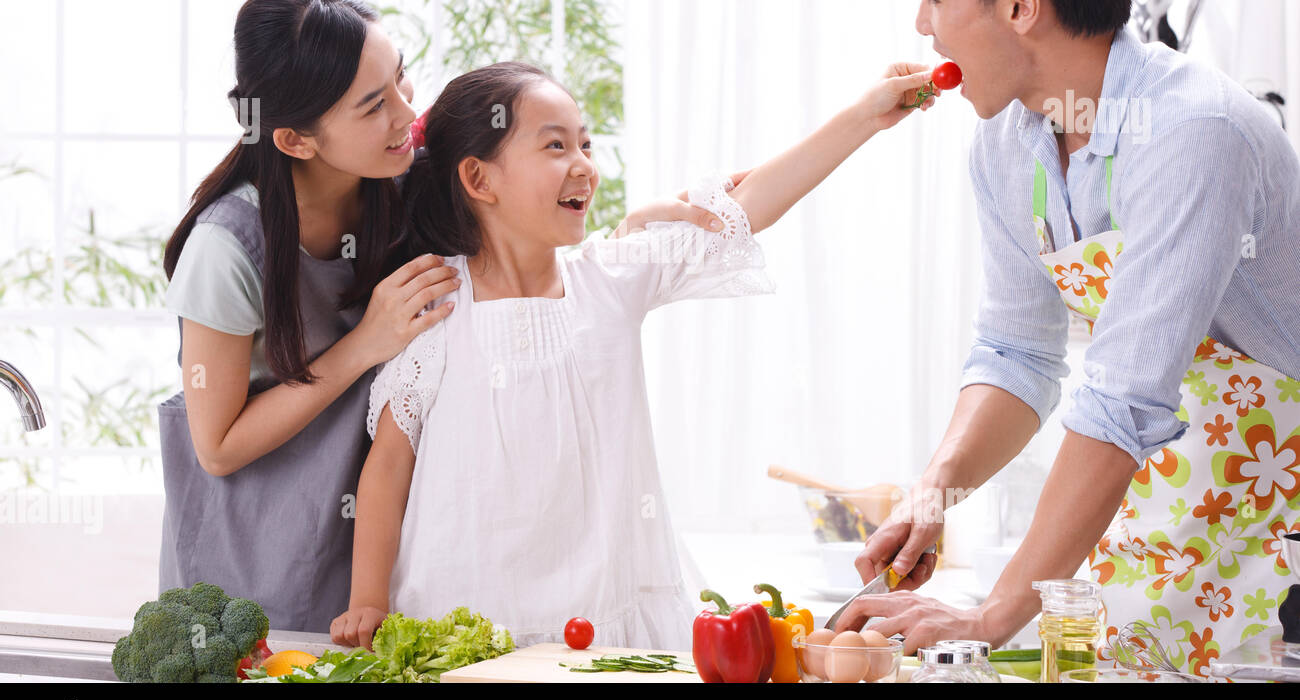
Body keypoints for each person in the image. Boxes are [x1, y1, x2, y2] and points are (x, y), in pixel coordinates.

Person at [840, 0, 1300, 675]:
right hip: (1185, 490)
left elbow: (1122, 395)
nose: (920, 24)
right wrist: (934, 494)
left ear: (1020, 5)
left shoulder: (1193, 133)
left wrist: (994, 613)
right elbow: (1018, 352)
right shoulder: (1010, 145)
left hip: (1285, 512)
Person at [159, 0, 740, 632]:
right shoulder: (226, 249)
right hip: (261, 558)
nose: (409, 116)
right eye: (374, 105)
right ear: (295, 139)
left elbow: (517, 228)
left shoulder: (401, 178)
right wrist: (365, 344)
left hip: (362, 553)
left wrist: (626, 240)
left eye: (402, 81)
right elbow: (218, 446)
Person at [331, 58, 938, 650]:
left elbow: (745, 210)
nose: (584, 167)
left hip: (602, 623)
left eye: (586, 145)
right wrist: (368, 601)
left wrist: (865, 116)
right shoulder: (434, 302)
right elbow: (387, 466)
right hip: (460, 624)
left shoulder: (611, 277)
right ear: (479, 179)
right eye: (555, 147)